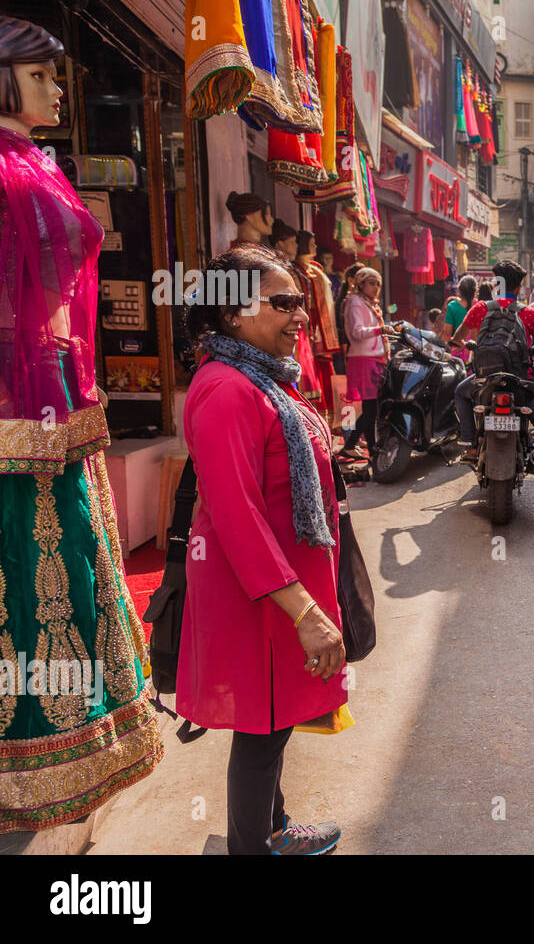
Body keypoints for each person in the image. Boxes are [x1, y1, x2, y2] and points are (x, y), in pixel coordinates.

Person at [0, 16, 163, 832]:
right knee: (27, 579)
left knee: (61, 575)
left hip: (59, 404)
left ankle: (74, 753)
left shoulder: (35, 165)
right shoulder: (6, 173)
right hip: (17, 414)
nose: (60, 89)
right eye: (42, 75)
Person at [180, 245, 348, 855]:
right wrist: (304, 613)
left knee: (269, 720)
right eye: (283, 303)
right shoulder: (226, 389)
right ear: (232, 314)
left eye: (300, 302)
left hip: (275, 588)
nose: (300, 315)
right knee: (263, 729)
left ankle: (273, 831)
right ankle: (252, 847)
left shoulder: (260, 379)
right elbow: (238, 516)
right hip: (260, 594)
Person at [450, 260, 534, 513]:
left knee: (460, 394)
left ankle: (471, 443)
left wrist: (466, 345)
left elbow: (457, 338)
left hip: (485, 380)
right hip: (521, 382)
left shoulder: (480, 308)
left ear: (496, 284)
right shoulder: (527, 313)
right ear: (519, 288)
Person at [268, 219, 323, 409]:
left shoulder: (293, 270)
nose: (296, 246)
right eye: (292, 242)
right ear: (279, 244)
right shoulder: (274, 271)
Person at [339, 267, 391, 460]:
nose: (376, 287)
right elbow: (357, 332)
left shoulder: (368, 303)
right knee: (370, 409)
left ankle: (370, 446)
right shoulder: (355, 302)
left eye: (378, 283)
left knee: (372, 408)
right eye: (371, 283)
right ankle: (352, 444)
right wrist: (380, 330)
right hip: (363, 360)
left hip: (374, 359)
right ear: (360, 284)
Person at [290, 230, 341, 418]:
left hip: (318, 326)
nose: (315, 247)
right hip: (306, 326)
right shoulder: (294, 270)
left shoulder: (314, 269)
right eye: (311, 243)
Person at [441, 275, 477, 363]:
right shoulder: (479, 305)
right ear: (475, 291)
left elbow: (447, 333)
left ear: (459, 289)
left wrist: (442, 349)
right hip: (475, 351)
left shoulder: (453, 306)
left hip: (456, 352)